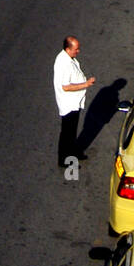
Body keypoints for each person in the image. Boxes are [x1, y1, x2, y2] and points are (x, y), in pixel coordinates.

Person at [53, 35, 96, 168]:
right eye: (76, 49)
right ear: (67, 49)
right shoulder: (64, 63)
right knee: (67, 133)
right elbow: (66, 86)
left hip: (74, 102)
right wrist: (86, 84)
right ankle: (65, 159)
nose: (78, 51)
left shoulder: (68, 58)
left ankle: (73, 152)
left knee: (72, 131)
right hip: (68, 103)